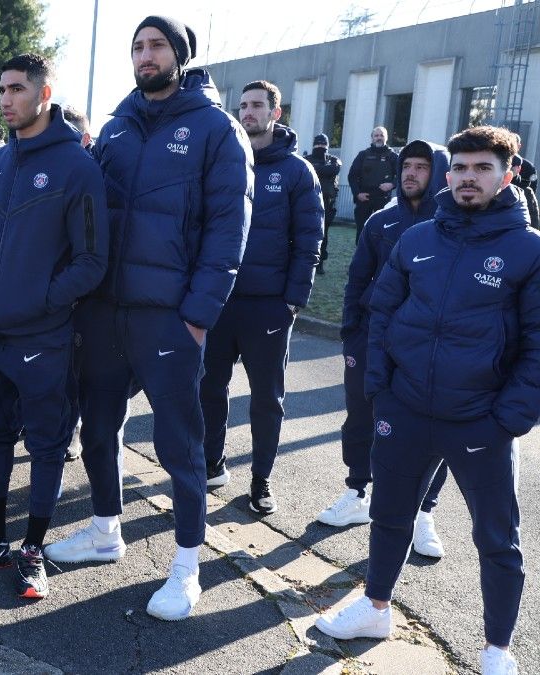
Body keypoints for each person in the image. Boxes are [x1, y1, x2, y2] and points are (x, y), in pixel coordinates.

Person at [45, 16, 251, 621]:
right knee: (98, 426)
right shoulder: (118, 126)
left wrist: (197, 317)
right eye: (137, 46)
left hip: (169, 317)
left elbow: (227, 229)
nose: (145, 55)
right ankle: (105, 529)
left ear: (180, 55)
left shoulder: (217, 129)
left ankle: (187, 567)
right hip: (106, 309)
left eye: (156, 45)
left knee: (178, 446)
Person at [316, 125, 540, 675]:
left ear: (507, 174)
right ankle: (375, 608)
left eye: (482, 168)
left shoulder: (528, 250)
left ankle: (497, 650)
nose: (468, 178)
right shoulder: (417, 240)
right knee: (390, 518)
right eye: (460, 168)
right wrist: (382, 393)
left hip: (480, 421)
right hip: (406, 410)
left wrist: (507, 418)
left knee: (497, 539)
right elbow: (381, 313)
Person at [0, 53, 108, 601]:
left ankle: (32, 549)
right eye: (2, 90)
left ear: (44, 94)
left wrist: (41, 302)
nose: (6, 99)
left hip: (40, 337)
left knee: (48, 444)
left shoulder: (77, 167)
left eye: (16, 89)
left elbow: (91, 261)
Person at [320, 139, 453, 559]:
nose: (411, 173)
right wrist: (349, 333)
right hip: (370, 339)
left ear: (440, 173)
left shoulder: (452, 224)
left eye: (422, 167)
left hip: (426, 349)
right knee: (360, 419)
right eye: (407, 166)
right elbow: (357, 280)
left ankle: (423, 512)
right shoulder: (381, 221)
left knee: (429, 432)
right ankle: (357, 491)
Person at [199, 80, 322, 514]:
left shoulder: (296, 171)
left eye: (256, 106)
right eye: (243, 106)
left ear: (276, 112)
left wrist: (291, 301)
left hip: (268, 306)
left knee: (266, 399)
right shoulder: (224, 161)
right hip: (219, 302)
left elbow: (309, 241)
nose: (247, 112)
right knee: (209, 388)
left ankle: (261, 480)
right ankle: (212, 464)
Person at [348, 126, 398, 234]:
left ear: (386, 138)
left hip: (383, 199)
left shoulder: (393, 156)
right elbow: (352, 176)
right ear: (372, 138)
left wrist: (392, 185)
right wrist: (357, 194)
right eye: (376, 135)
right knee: (361, 232)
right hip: (364, 198)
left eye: (381, 135)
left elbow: (401, 175)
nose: (379, 138)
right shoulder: (363, 155)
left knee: (381, 232)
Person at [304, 133, 341, 273]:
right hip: (307, 201)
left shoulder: (333, 160)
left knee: (323, 234)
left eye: (323, 144)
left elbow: (333, 169)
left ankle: (319, 263)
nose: (320, 147)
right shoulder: (306, 160)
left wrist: (315, 168)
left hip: (327, 203)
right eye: (318, 144)